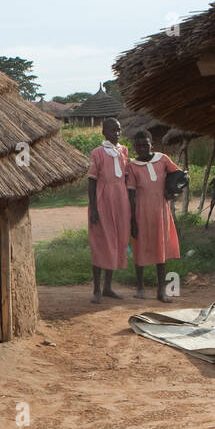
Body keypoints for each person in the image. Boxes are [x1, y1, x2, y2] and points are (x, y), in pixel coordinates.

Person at [127, 130, 182, 302]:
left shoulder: (163, 159)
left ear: (152, 144)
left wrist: (173, 191)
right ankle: (141, 287)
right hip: (141, 212)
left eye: (146, 144)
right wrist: (132, 220)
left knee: (161, 250)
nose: (142, 148)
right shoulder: (132, 166)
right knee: (140, 248)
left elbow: (179, 175)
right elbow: (131, 193)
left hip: (161, 211)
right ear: (135, 147)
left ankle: (161, 291)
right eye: (139, 145)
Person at [86, 118, 131, 303]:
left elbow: (127, 178)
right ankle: (96, 289)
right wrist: (94, 208)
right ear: (104, 132)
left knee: (116, 242)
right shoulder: (97, 153)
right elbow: (91, 181)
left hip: (121, 201)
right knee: (101, 243)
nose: (117, 133)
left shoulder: (123, 151)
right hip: (103, 200)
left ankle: (108, 287)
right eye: (113, 130)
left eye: (119, 130)